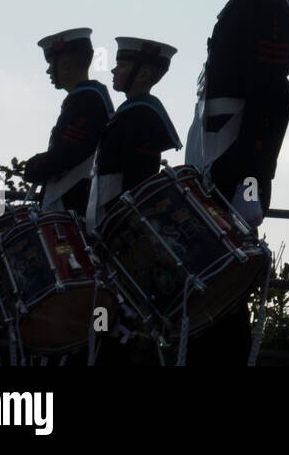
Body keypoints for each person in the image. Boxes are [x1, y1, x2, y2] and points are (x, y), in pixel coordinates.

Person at [185, 0, 289, 365]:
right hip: (216, 179)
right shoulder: (246, 4)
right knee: (209, 314)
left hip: (232, 181)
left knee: (220, 320)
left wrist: (250, 183)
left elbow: (270, 98)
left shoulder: (262, 3)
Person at [87, 36, 181, 364]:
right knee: (106, 324)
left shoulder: (140, 116)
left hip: (119, 236)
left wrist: (113, 231)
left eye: (123, 65)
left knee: (114, 326)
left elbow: (135, 183)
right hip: (110, 231)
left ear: (143, 75)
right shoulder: (131, 113)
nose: (114, 69)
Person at [25, 28, 113, 215]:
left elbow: (67, 154)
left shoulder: (85, 100)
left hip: (73, 204)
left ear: (65, 64)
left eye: (51, 63)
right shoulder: (86, 98)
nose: (49, 70)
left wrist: (33, 167)